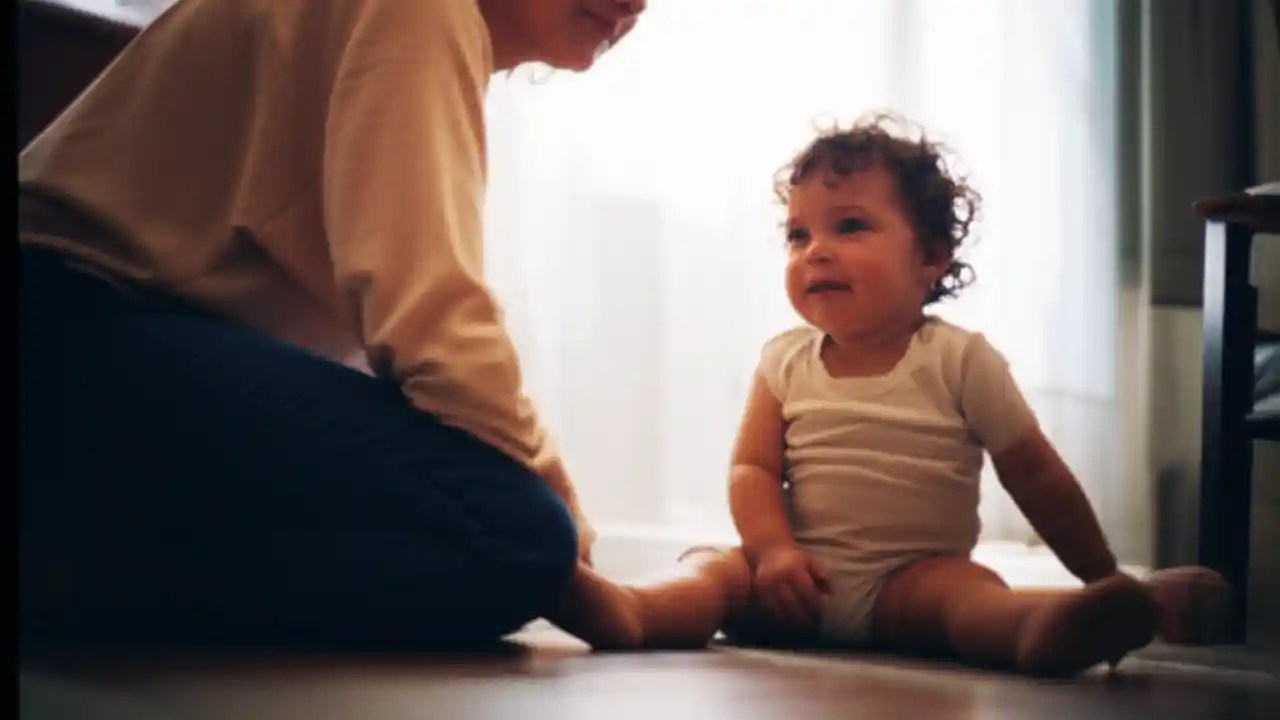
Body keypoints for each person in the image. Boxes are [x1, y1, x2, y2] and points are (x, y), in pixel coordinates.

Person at [19, 0, 649, 648]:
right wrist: (582, 556)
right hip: (69, 327)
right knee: (518, 535)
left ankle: (84, 562)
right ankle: (71, 576)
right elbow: (435, 326)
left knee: (500, 523)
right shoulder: (420, 11)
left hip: (96, 341)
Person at [561, 115, 1230, 675]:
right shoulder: (784, 360)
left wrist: (1099, 573)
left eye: (848, 227)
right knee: (710, 572)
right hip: (794, 580)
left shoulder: (959, 359)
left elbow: (1036, 474)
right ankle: (631, 608)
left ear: (931, 257)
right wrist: (772, 552)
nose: (814, 251)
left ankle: (1058, 626)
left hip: (911, 581)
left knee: (972, 602)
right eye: (798, 235)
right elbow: (752, 470)